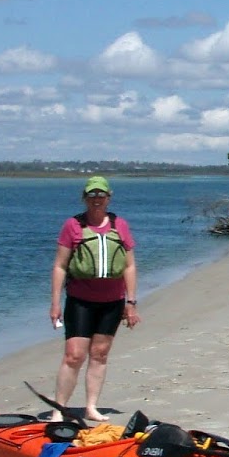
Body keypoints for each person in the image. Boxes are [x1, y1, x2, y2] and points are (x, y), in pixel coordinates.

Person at [49, 175, 139, 423]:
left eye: (101, 195)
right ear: (84, 198)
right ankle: (59, 409)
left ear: (108, 197)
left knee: (99, 353)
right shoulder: (73, 226)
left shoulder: (120, 225)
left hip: (112, 302)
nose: (96, 200)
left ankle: (91, 407)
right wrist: (56, 303)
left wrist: (131, 303)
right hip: (80, 301)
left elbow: (130, 266)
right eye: (92, 195)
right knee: (74, 355)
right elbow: (60, 266)